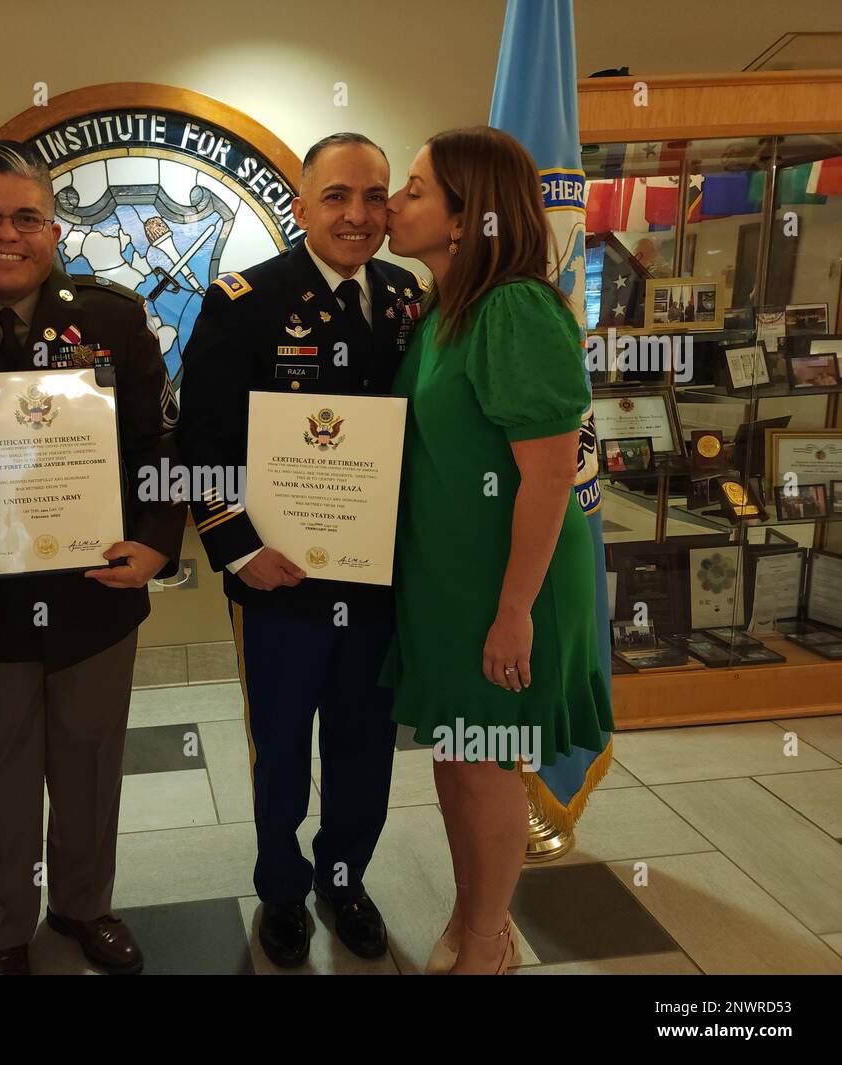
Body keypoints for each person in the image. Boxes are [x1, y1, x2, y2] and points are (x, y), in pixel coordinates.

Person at [0, 141, 186, 976]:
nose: (8, 234)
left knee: (90, 761)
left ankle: (83, 906)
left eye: (27, 216)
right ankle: (6, 929)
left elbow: (158, 439)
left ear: (53, 227)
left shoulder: (112, 315)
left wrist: (156, 541)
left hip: (95, 592)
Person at [178, 133, 427, 968]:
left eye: (375, 196)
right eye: (337, 197)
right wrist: (240, 549)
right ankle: (281, 889)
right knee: (279, 746)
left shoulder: (404, 296)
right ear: (300, 204)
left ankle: (344, 880)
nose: (358, 215)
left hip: (377, 577)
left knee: (363, 745)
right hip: (279, 579)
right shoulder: (244, 300)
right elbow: (200, 439)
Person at [382, 126, 613, 975]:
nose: (393, 205)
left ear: (463, 216)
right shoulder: (449, 306)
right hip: (450, 581)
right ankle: (475, 914)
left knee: (483, 765)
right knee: (458, 754)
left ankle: (488, 939)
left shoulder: (514, 307)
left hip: (504, 587)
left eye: (413, 188)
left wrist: (514, 609)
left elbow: (550, 475)